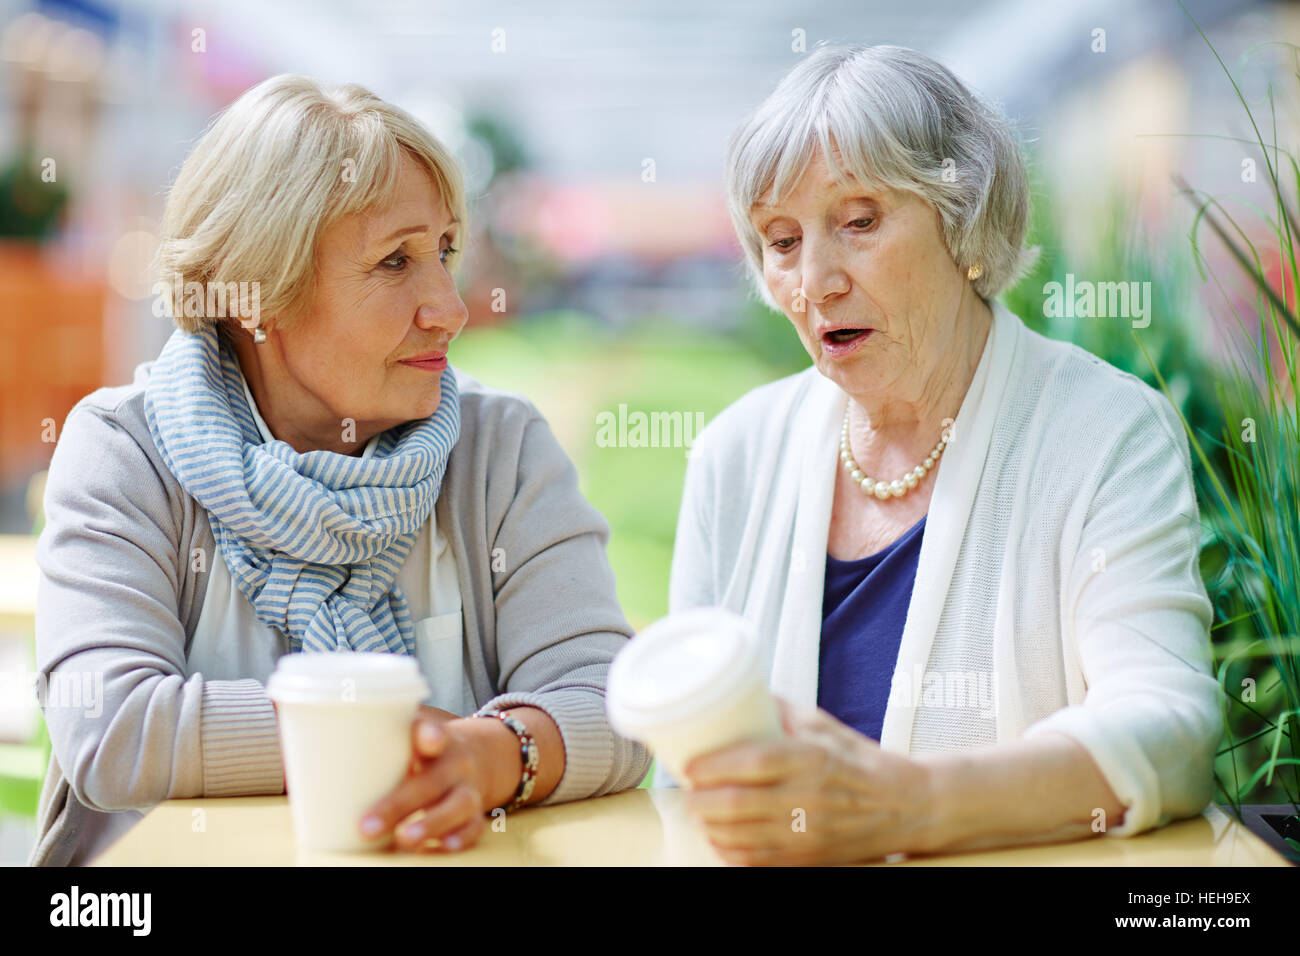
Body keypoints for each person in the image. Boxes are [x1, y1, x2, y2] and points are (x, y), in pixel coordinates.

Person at [29, 74, 649, 866]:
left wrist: (488, 756)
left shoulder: (501, 450)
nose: (449, 307)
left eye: (446, 251)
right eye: (395, 262)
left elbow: (613, 706)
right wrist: (384, 731)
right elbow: (111, 728)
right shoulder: (125, 450)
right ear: (256, 293)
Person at [668, 44, 1223, 865]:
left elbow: (1171, 730)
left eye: (859, 222)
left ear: (964, 219)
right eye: (781, 241)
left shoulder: (1106, 430)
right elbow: (691, 755)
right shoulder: (733, 455)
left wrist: (911, 807)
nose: (815, 279)